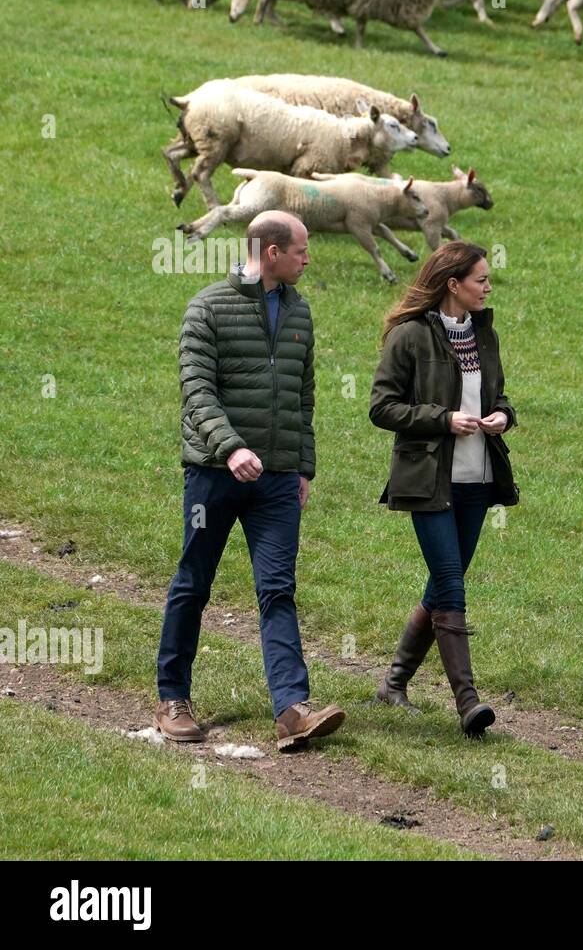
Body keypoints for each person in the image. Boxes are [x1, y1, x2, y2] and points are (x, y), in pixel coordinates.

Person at [156, 210, 345, 752]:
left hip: (278, 480)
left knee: (278, 589)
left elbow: (303, 394)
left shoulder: (300, 311)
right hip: (214, 475)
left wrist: (302, 466)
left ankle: (291, 709)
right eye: (302, 251)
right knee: (194, 580)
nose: (309, 259)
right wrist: (231, 447)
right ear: (271, 254)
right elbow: (197, 391)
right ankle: (173, 697)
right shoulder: (208, 308)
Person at [369, 241, 518, 737]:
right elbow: (382, 407)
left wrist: (503, 416)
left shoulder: (484, 334)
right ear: (453, 284)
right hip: (429, 481)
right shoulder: (409, 336)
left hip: (477, 480)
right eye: (481, 279)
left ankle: (393, 683)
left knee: (441, 586)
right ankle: (468, 703)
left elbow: (497, 395)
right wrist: (443, 420)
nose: (488, 286)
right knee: (452, 584)